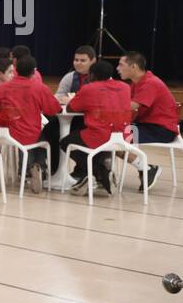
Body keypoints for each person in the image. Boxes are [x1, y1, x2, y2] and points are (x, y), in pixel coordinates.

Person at [0, 54, 61, 190]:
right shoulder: (40, 88)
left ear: (16, 69)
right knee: (43, 136)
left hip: (4, 133)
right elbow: (53, 110)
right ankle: (37, 168)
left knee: (23, 135)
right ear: (33, 71)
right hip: (29, 133)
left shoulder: (2, 88)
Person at [63, 58, 130, 196]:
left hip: (100, 135)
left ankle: (99, 173)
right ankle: (100, 173)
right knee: (89, 140)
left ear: (92, 75)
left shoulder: (89, 88)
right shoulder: (125, 87)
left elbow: (70, 108)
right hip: (124, 135)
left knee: (65, 142)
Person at [118, 51, 180, 191]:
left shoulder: (150, 83)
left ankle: (146, 168)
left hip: (161, 129)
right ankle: (145, 168)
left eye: (121, 65)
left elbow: (133, 105)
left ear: (133, 66)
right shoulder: (136, 83)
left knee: (113, 138)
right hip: (146, 125)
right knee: (110, 134)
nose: (118, 68)